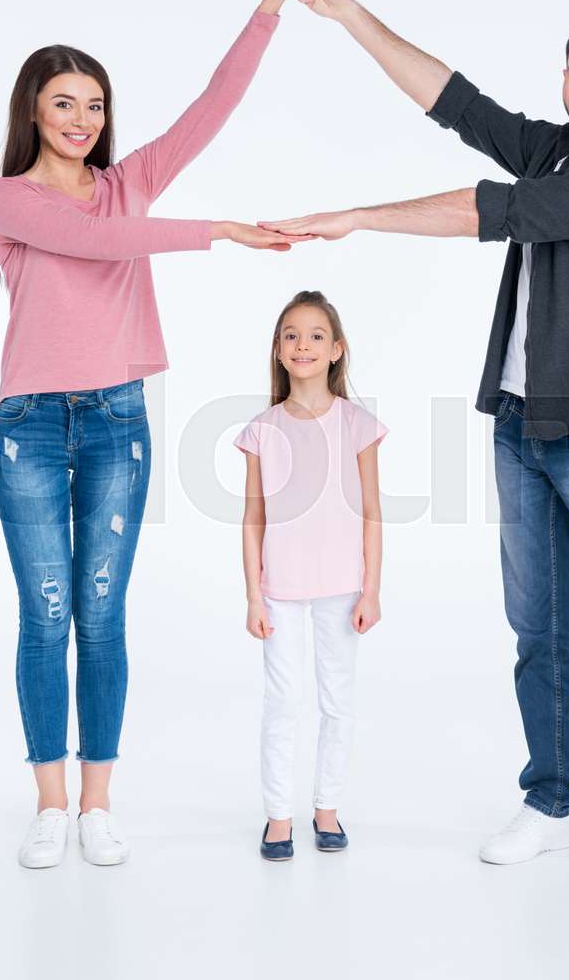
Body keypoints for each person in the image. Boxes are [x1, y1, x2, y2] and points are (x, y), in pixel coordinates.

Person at [265, 0, 569, 882]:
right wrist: (349, 12)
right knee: (538, 630)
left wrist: (356, 215)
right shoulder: (561, 148)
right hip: (520, 427)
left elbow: (489, 211)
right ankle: (552, 801)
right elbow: (456, 102)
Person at [0, 0, 316, 870]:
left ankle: (97, 801)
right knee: (46, 610)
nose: (82, 120)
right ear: (33, 114)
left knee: (102, 609)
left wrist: (270, 5)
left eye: (94, 105)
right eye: (64, 104)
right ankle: (48, 802)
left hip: (118, 420)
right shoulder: (6, 199)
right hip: (32, 428)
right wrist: (217, 231)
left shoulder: (130, 182)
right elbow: (93, 240)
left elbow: (213, 107)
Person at [234, 291, 388, 861]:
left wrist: (371, 588)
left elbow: (372, 511)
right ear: (278, 349)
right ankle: (279, 815)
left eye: (316, 335)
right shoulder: (261, 429)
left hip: (342, 587)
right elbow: (253, 518)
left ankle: (327, 807)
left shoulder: (358, 425)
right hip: (280, 591)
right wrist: (253, 594)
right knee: (282, 702)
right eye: (292, 335)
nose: (304, 344)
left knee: (337, 700)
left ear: (337, 349)